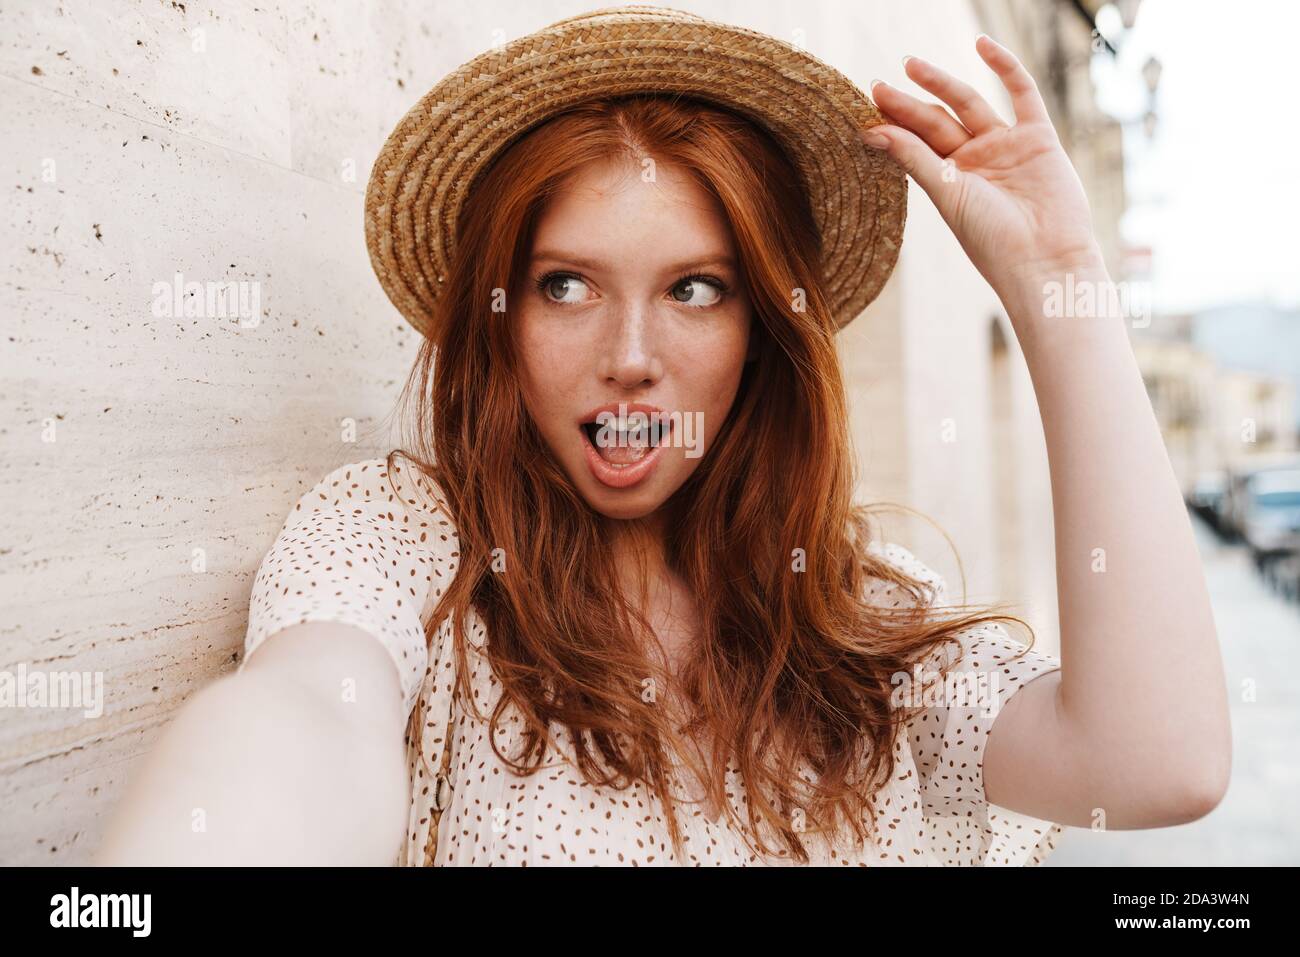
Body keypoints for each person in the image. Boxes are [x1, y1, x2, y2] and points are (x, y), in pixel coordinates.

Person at [98, 7, 1231, 866]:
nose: (629, 352)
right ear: (499, 316)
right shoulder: (403, 545)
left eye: (694, 289)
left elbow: (1154, 764)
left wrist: (1061, 289)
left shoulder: (862, 613)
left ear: (760, 330)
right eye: (564, 285)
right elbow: (300, 719)